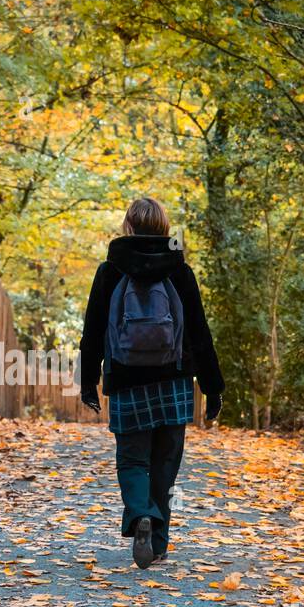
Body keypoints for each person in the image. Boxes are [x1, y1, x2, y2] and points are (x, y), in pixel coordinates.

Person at [78, 197, 225, 569]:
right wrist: (212, 386)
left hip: (126, 380)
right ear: (164, 228)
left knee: (131, 459)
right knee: (165, 463)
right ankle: (158, 544)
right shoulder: (179, 271)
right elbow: (199, 333)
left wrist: (88, 382)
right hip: (174, 380)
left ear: (128, 226)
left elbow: (92, 332)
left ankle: (140, 513)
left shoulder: (109, 271)